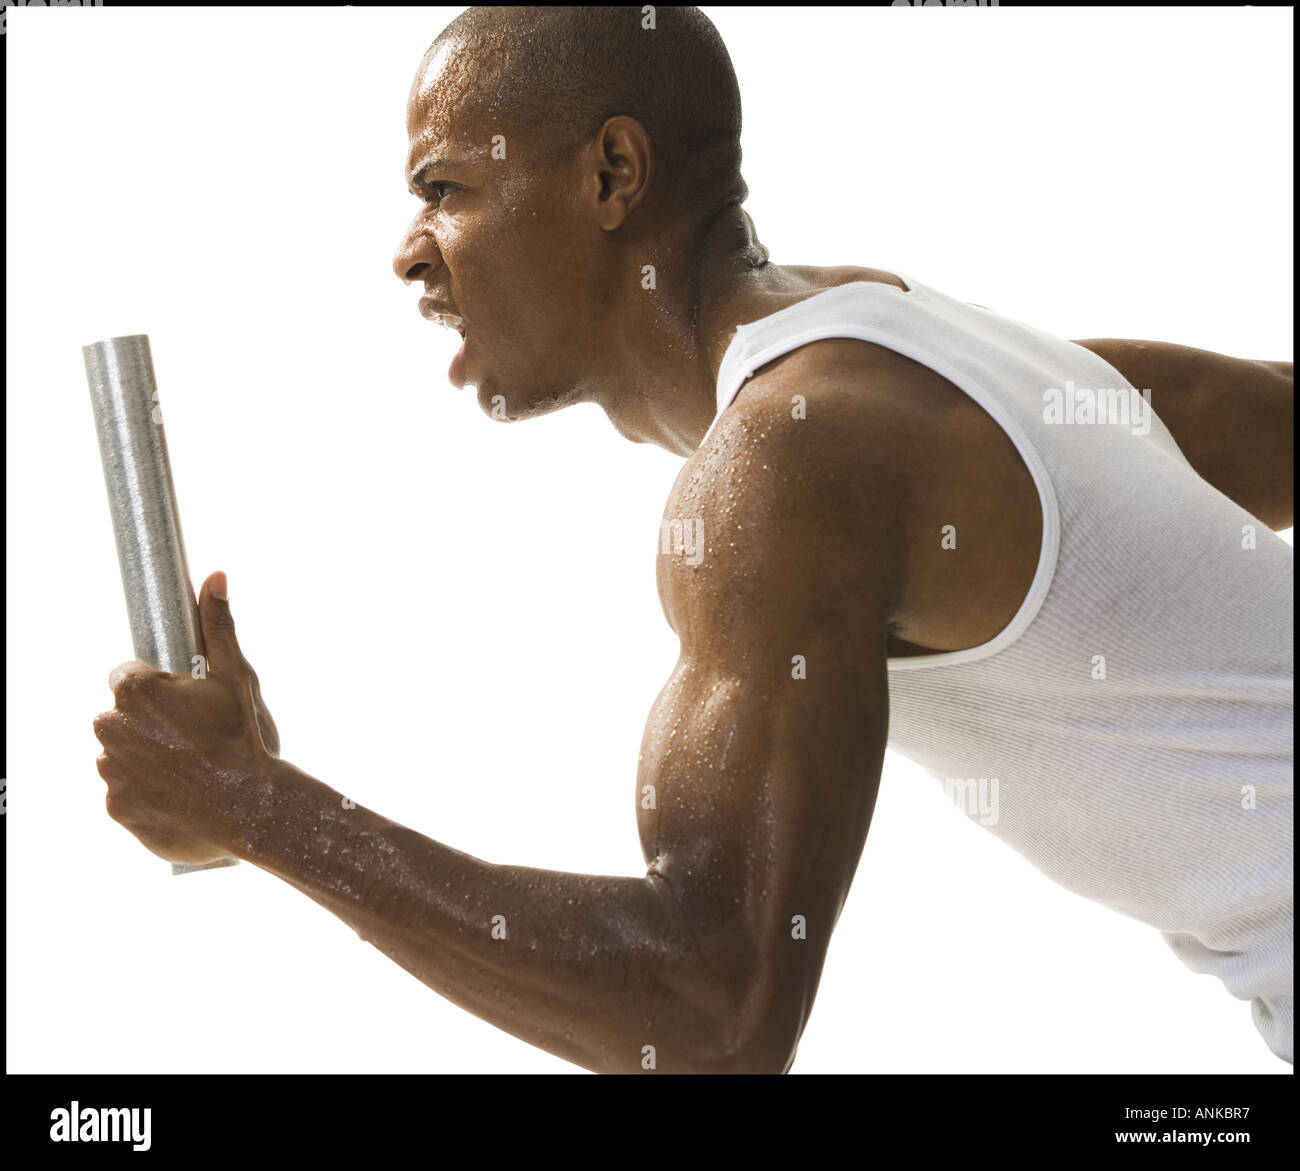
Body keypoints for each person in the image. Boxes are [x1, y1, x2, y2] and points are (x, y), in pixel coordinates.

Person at [94, 6, 1293, 1072]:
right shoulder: (895, 341)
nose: (408, 248)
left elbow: (711, 1018)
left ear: (612, 173)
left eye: (444, 189)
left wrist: (257, 809)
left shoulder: (788, 461)